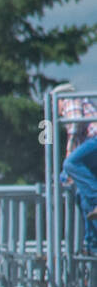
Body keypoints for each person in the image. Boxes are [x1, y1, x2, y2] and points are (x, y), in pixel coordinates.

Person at [57, 87, 97, 254]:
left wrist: (68, 161)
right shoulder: (84, 101)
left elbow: (74, 125)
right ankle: (92, 244)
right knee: (82, 193)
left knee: (70, 164)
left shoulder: (68, 100)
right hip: (92, 147)